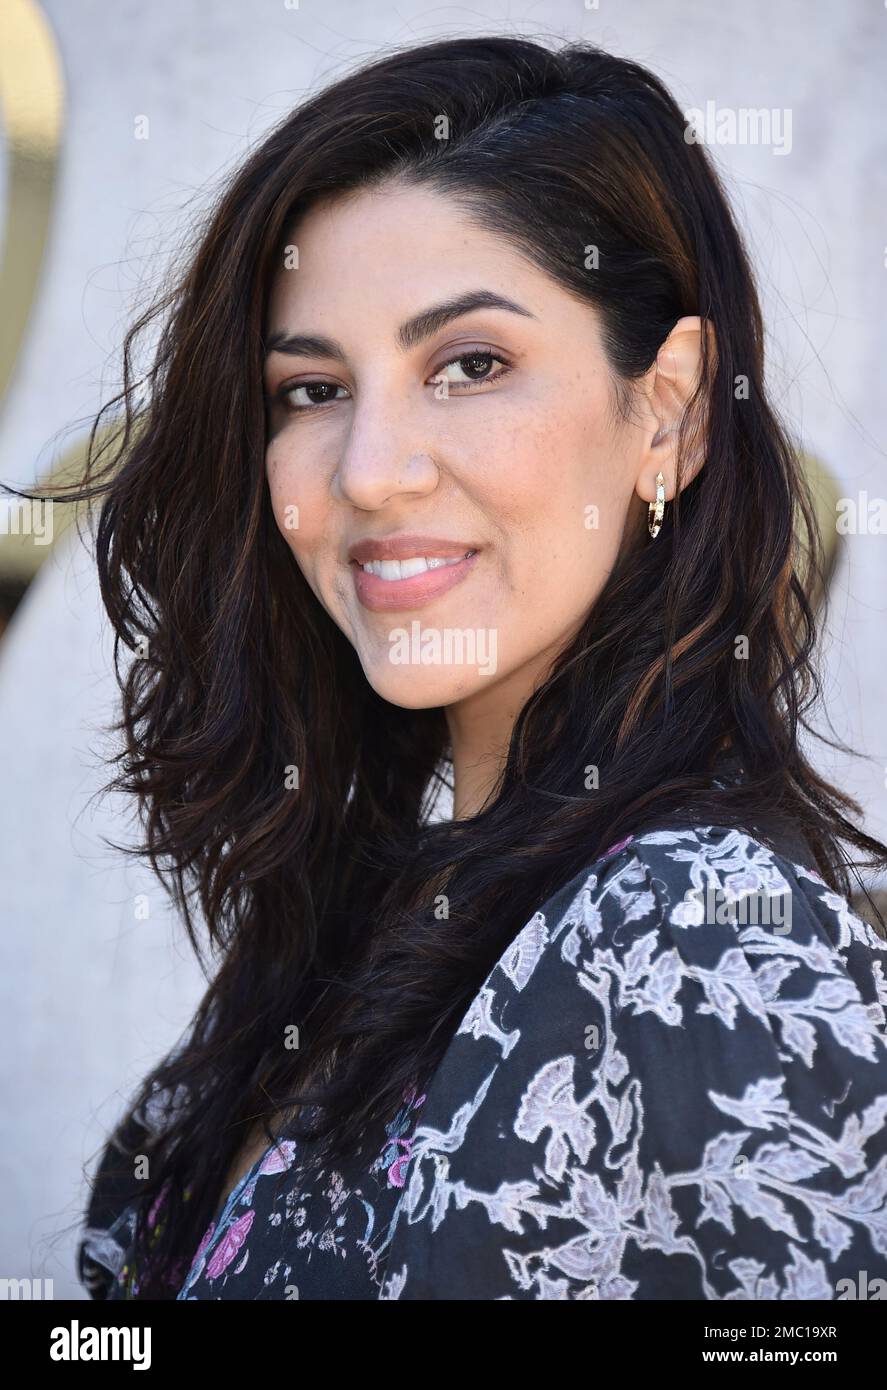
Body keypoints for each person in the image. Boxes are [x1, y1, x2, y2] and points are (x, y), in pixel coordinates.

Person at [59, 34, 887, 1299]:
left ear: (663, 410)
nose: (368, 470)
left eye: (469, 366)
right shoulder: (350, 925)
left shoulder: (691, 933)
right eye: (312, 388)